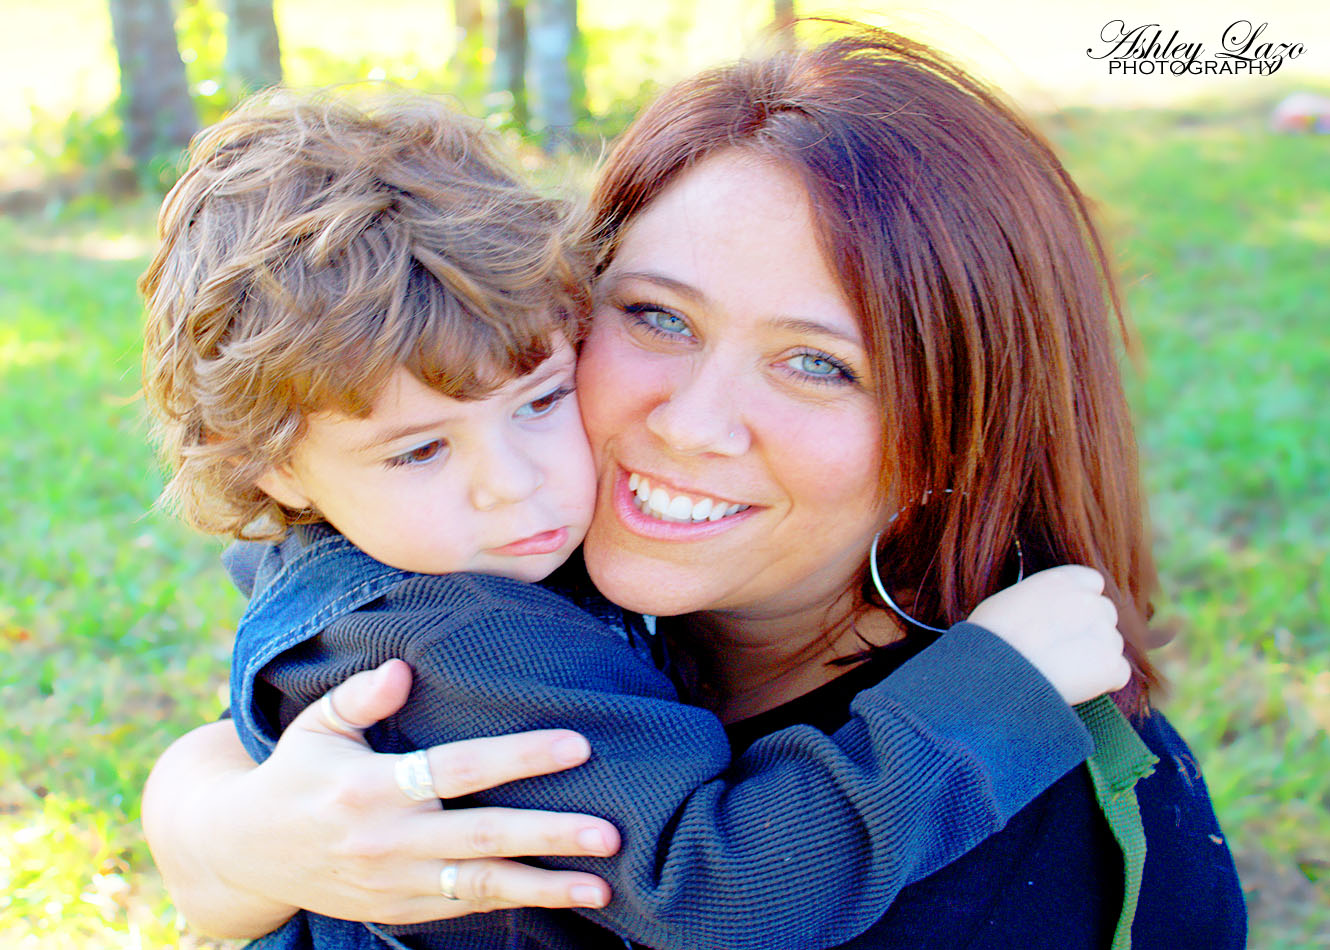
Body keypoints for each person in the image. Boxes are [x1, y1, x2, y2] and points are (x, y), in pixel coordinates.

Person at [142, 26, 1247, 949]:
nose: (689, 423)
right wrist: (229, 828)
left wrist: (990, 694)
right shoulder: (471, 580)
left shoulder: (1022, 855)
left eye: (819, 362)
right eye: (656, 315)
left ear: (961, 427)